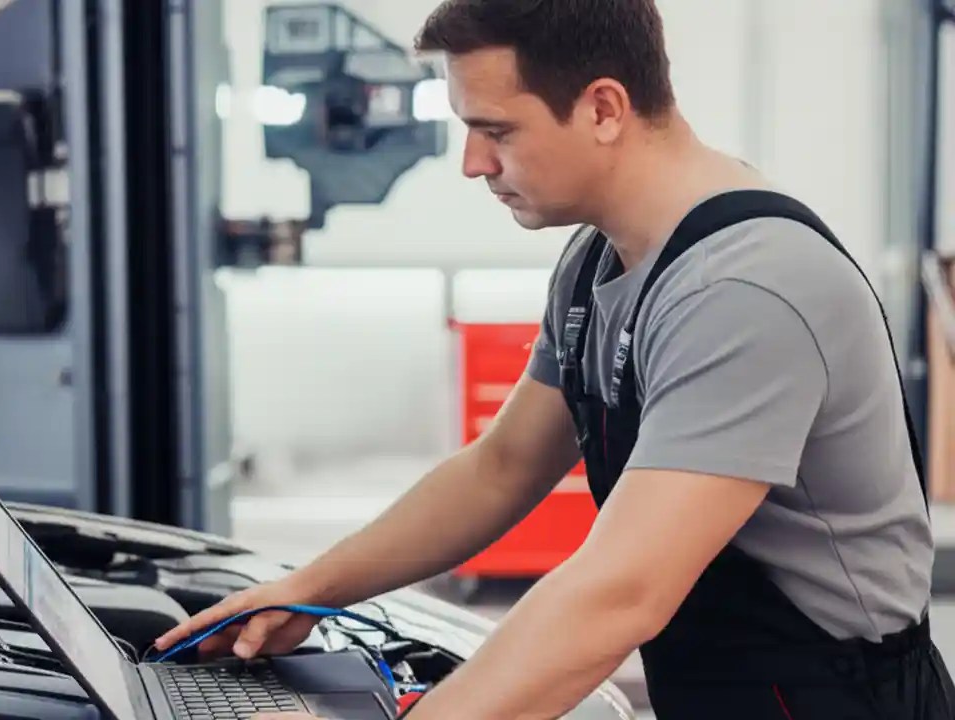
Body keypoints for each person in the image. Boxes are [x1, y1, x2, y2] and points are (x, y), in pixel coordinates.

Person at [155, 0, 955, 717]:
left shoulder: (746, 288)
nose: (473, 164)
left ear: (603, 107)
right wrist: (312, 590)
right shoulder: (598, 259)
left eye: (496, 130)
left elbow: (619, 593)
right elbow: (501, 468)